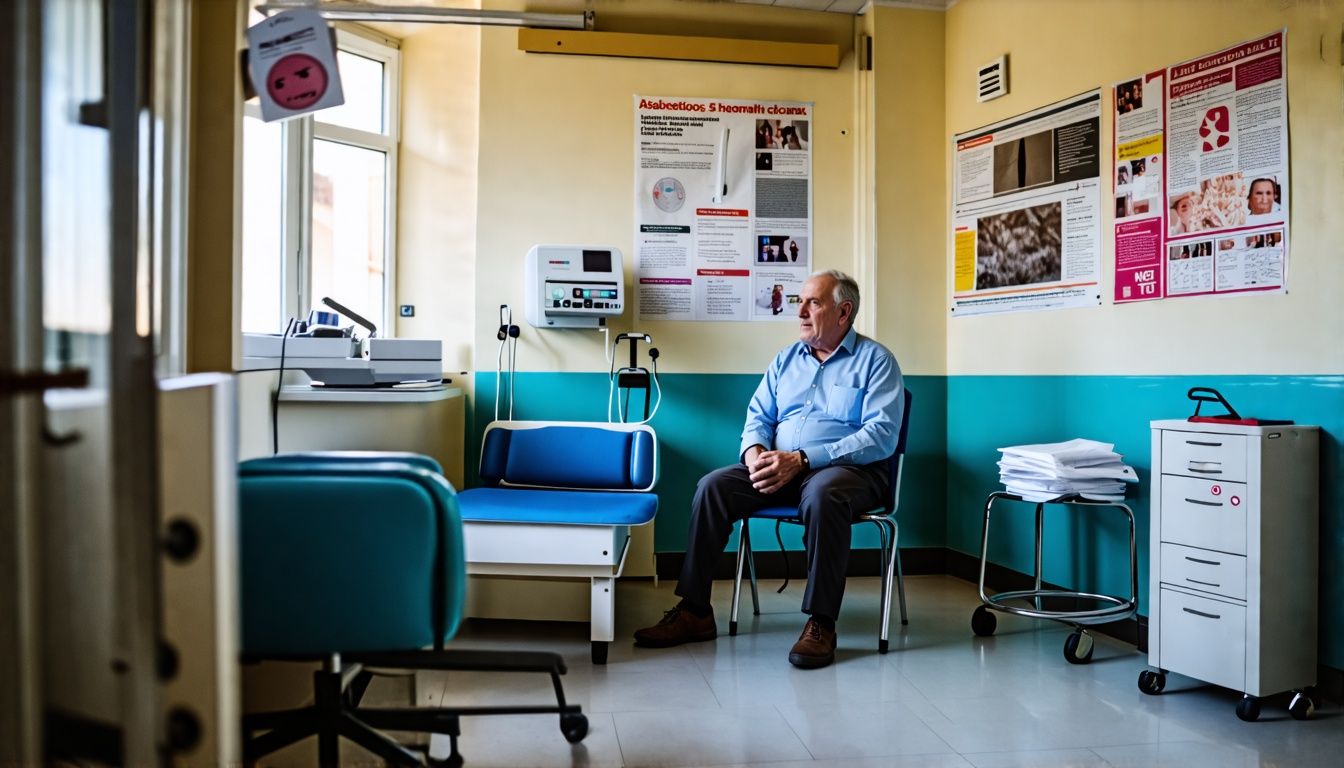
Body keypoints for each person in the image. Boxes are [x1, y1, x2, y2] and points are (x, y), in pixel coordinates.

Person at [633, 270, 904, 669]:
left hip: (850, 473)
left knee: (823, 493)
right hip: (781, 468)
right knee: (713, 487)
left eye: (813, 303)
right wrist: (755, 454)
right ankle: (695, 611)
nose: (801, 311)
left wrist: (805, 459)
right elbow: (758, 417)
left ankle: (821, 622)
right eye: (800, 302)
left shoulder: (876, 361)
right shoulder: (785, 359)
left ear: (844, 312)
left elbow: (881, 436)